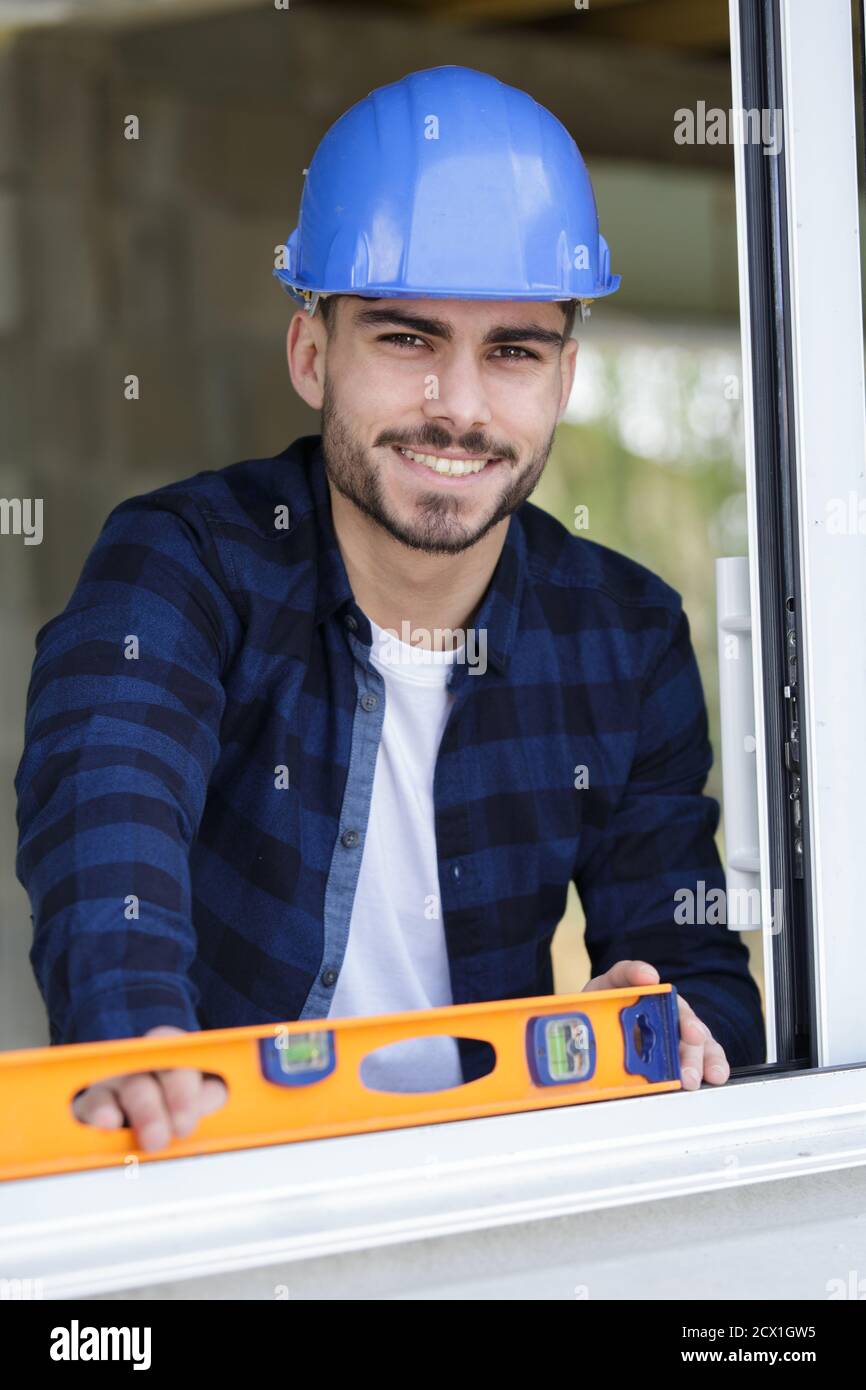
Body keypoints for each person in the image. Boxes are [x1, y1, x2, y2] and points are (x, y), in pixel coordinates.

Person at [15, 65, 764, 1153]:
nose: (456, 406)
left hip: (483, 1186)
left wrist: (663, 1019)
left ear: (560, 380)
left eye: (512, 350)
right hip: (209, 1177)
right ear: (312, 354)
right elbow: (105, 808)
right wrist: (136, 1037)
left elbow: (698, 979)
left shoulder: (624, 633)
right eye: (407, 339)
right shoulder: (181, 565)